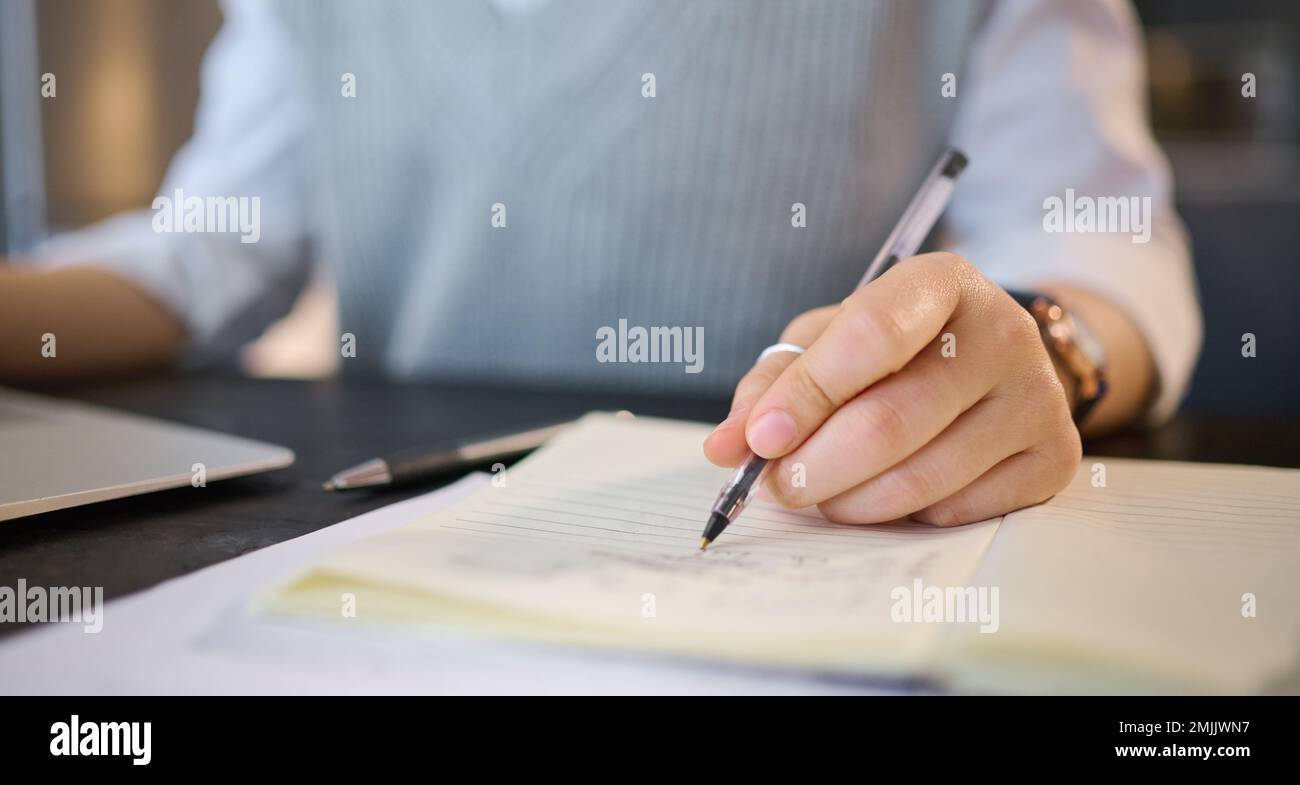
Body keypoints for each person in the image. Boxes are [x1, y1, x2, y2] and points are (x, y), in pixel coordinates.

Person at [0, 0, 1201, 526]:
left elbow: (1095, 238)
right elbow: (211, 242)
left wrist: (1044, 348)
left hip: (825, 516)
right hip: (415, 519)